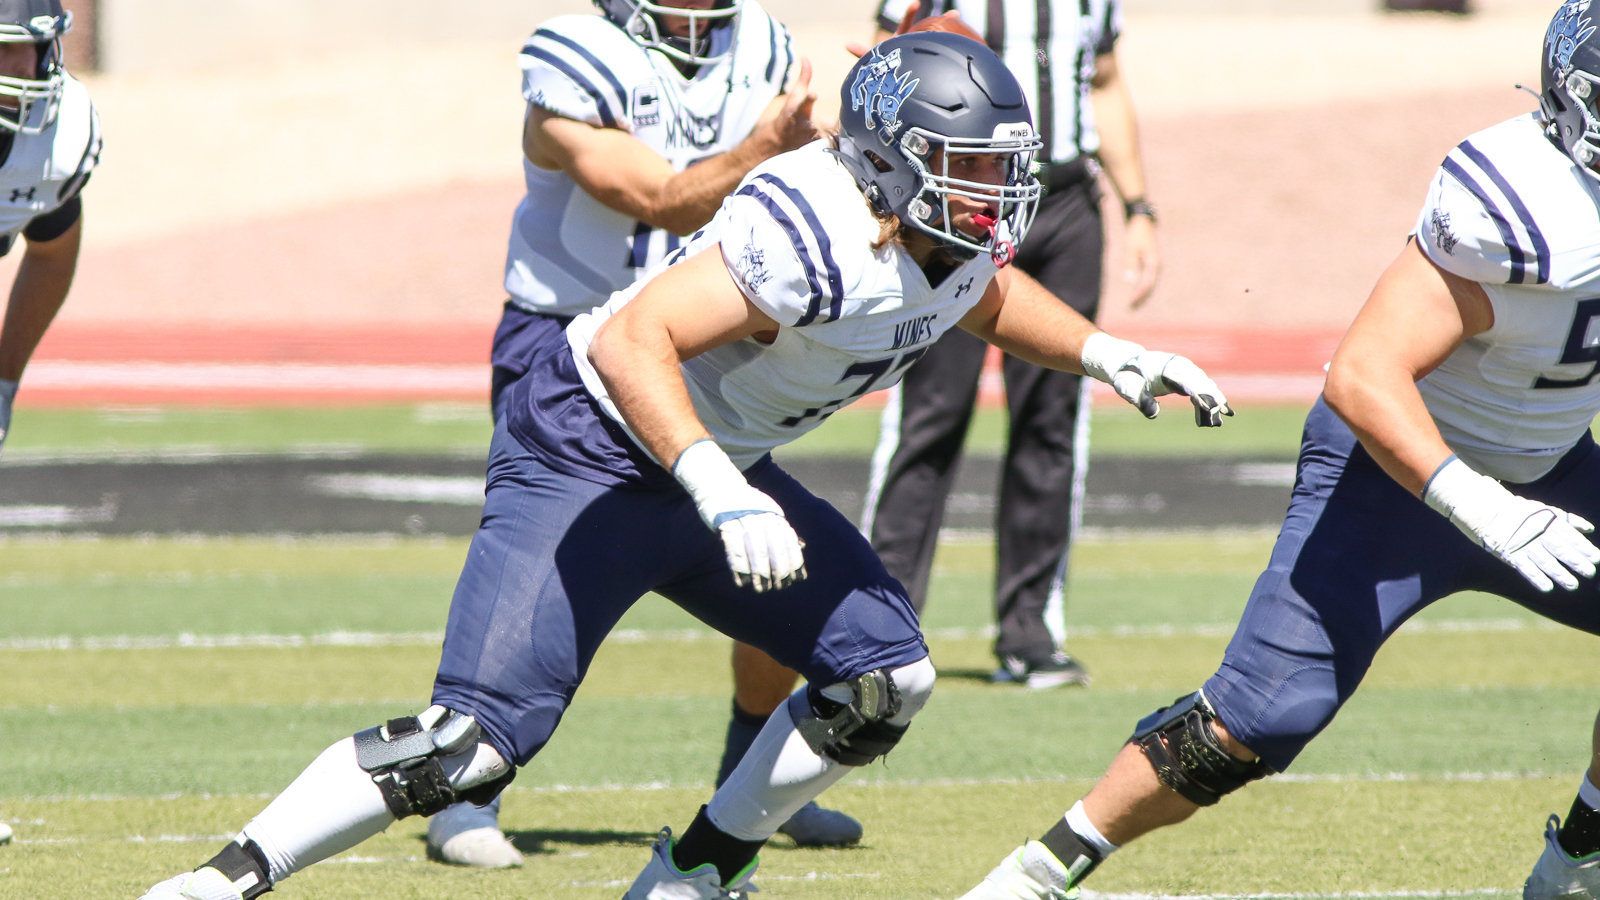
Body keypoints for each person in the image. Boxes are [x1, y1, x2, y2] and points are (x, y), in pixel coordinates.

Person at [136, 32, 1231, 900]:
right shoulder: (811, 226)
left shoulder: (932, 232)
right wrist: (714, 483)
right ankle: (221, 879)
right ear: (892, 164)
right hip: (591, 450)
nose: (995, 196)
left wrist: (1106, 351)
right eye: (970, 169)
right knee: (469, 748)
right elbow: (629, 342)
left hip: (716, 463)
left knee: (882, 681)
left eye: (1001, 168)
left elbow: (975, 294)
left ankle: (701, 869)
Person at [953, 4, 1600, 899]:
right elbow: (1364, 375)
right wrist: (1486, 505)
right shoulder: (1517, 199)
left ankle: (1581, 858)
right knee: (1253, 720)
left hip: (1555, 468)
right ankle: (1042, 870)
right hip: (1396, 474)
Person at [425, 0, 854, 867]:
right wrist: (764, 148)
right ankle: (464, 787)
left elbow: (817, 168)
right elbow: (655, 199)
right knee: (544, 570)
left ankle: (754, 773)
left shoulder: (762, 41)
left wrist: (886, 84)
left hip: (698, 341)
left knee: (773, 549)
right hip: (568, 345)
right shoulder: (572, 54)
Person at [856, 0, 1158, 690]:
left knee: (1053, 420)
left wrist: (1138, 205)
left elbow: (1104, 82)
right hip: (956, 198)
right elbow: (883, 72)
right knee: (930, 416)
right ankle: (882, 624)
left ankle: (1031, 631)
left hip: (1064, 200)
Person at [0, 0, 100, 458]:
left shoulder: (54, 146)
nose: (27, 66)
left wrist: (4, 380)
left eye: (37, 46)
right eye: (4, 47)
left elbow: (52, 252)